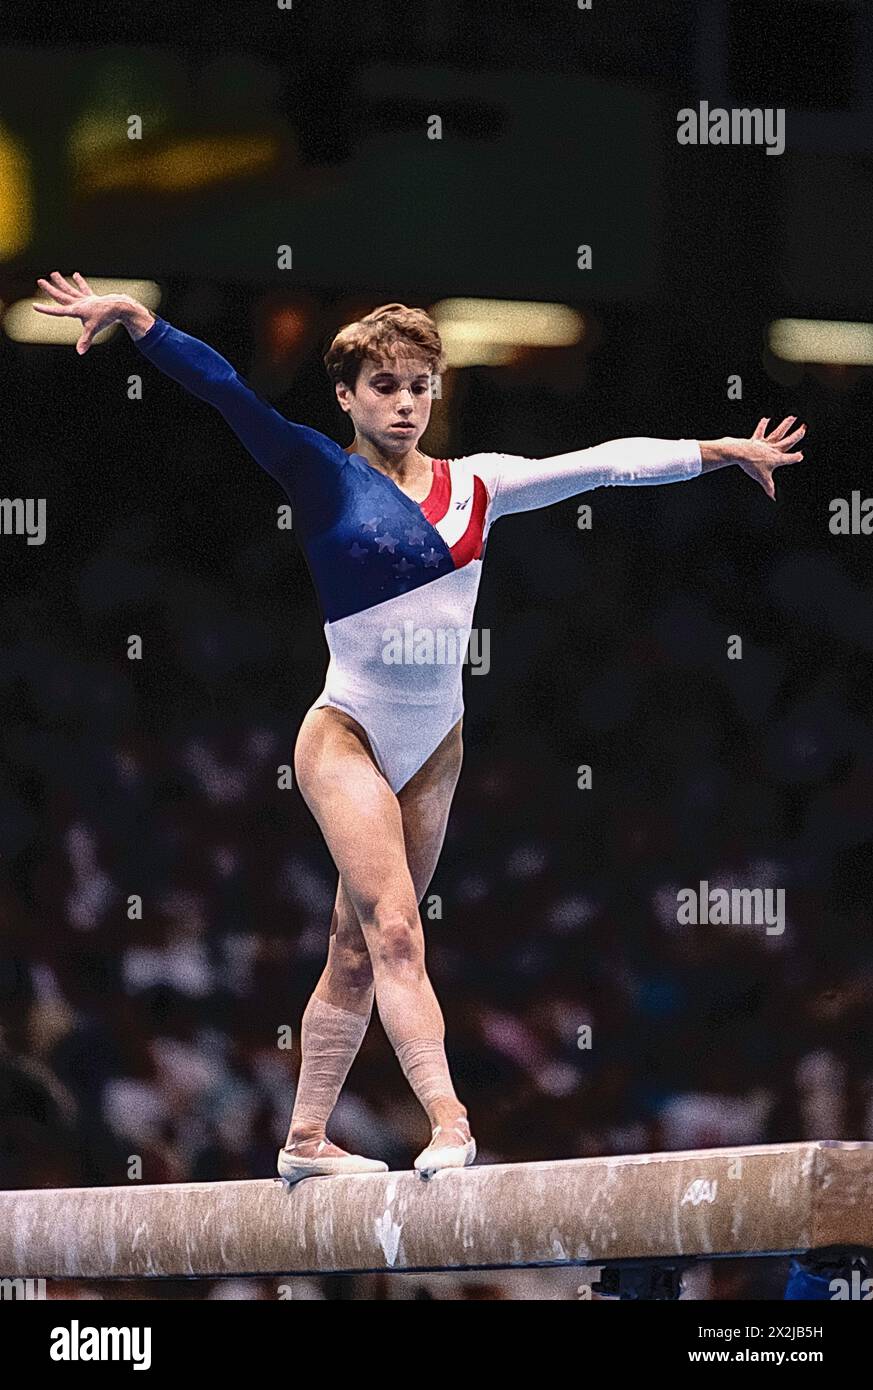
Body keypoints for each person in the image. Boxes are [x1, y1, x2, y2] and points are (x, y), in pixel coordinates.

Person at [33, 272, 806, 1183]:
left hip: (436, 746)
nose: (404, 404)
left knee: (356, 950)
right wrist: (142, 324)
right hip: (346, 733)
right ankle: (449, 1120)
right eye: (384, 387)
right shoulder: (318, 473)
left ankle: (306, 1138)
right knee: (397, 929)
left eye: (418, 386)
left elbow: (600, 462)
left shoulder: (480, 486)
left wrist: (712, 450)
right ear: (346, 396)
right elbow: (226, 394)